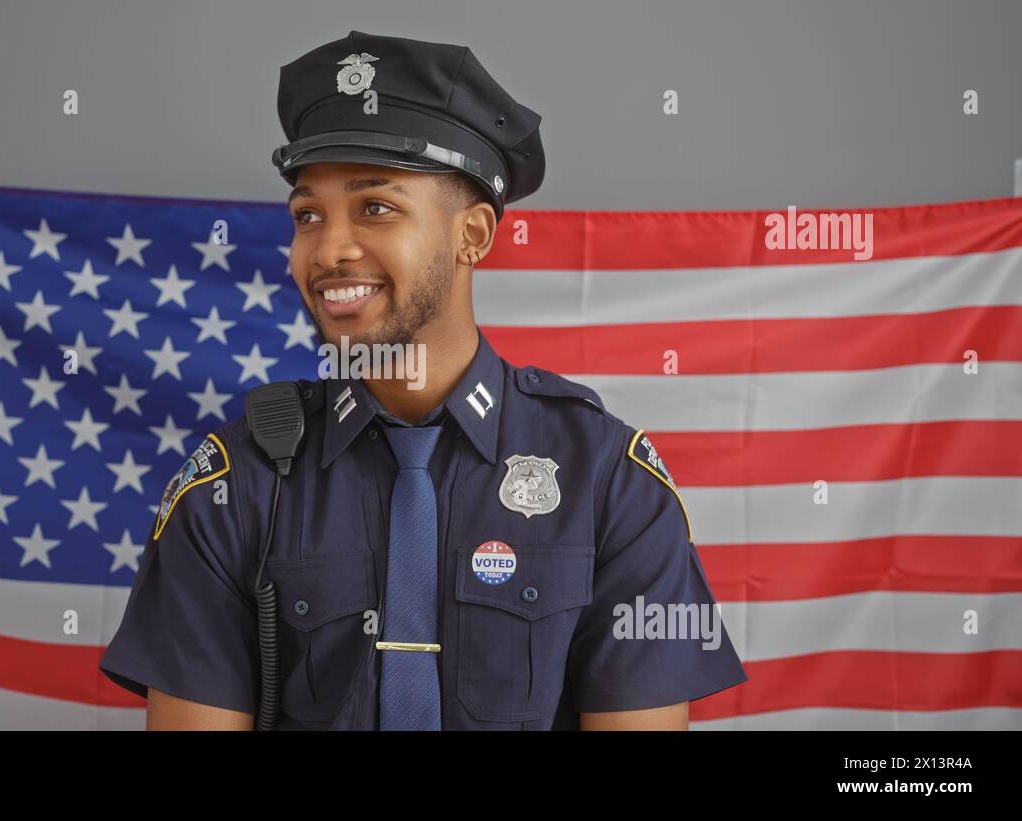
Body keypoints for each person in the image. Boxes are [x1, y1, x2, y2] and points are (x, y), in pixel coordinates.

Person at [99, 30, 748, 730]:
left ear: (472, 236)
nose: (330, 249)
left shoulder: (609, 481)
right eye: (307, 215)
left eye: (375, 207)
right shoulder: (235, 483)